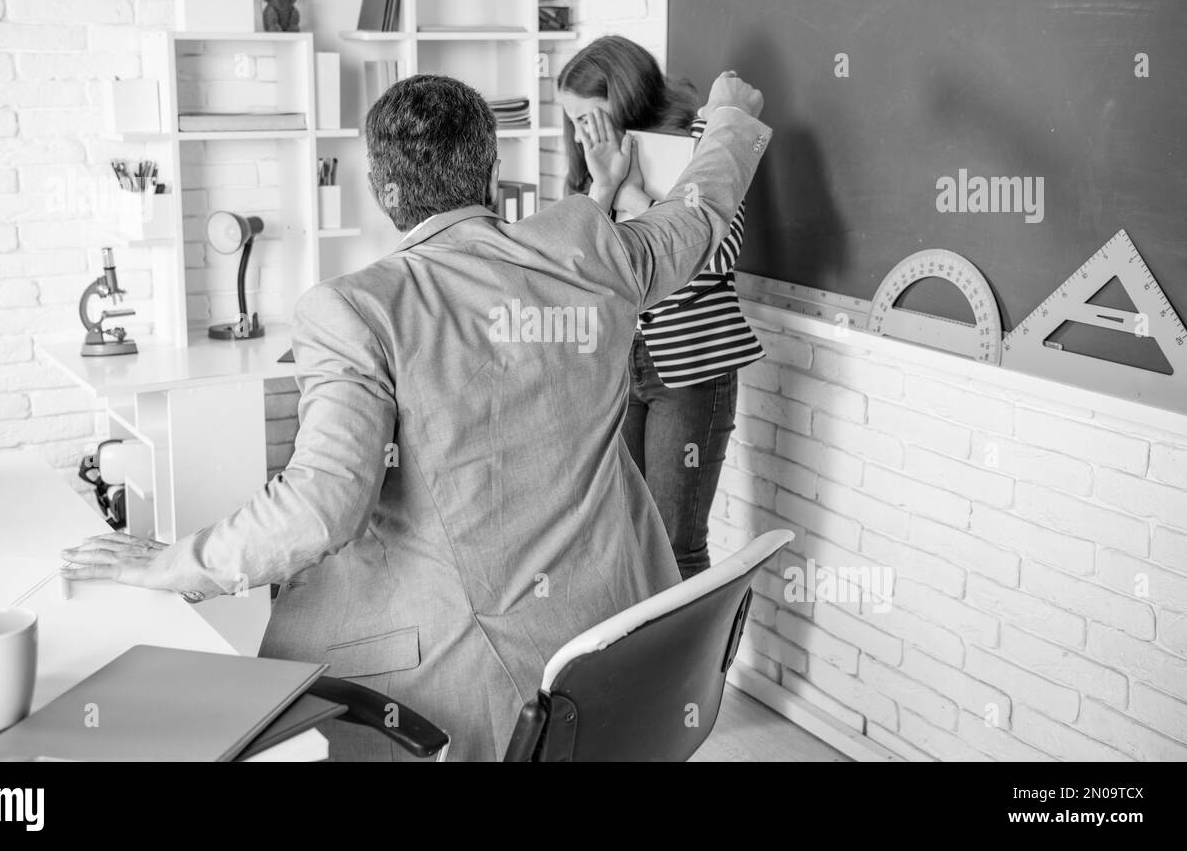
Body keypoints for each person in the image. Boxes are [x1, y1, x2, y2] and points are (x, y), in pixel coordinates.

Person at [60, 71, 771, 761]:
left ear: (380, 189)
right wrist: (729, 119)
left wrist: (176, 564)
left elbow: (320, 509)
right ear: (491, 171)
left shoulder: (354, 308)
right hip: (613, 654)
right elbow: (699, 215)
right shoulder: (590, 250)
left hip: (469, 689)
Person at [558, 37, 766, 578]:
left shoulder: (701, 139)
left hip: (689, 369)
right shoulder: (593, 166)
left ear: (621, 95)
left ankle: (693, 666)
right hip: (622, 369)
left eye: (587, 116)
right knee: (627, 536)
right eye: (571, 120)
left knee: (676, 544)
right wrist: (603, 186)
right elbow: (578, 266)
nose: (580, 132)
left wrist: (631, 199)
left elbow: (716, 253)